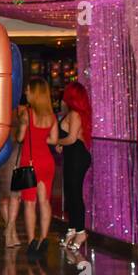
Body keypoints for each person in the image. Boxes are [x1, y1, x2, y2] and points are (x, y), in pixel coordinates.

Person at [7, 77, 57, 258]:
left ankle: (31, 241)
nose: (26, 92)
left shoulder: (27, 114)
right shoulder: (51, 115)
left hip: (30, 163)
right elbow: (53, 139)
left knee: (30, 203)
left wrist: (23, 130)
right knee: (44, 202)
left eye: (28, 89)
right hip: (47, 162)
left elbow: (20, 138)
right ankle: (44, 238)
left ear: (34, 93)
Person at [53, 80, 92, 250]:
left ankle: (81, 231)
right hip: (72, 155)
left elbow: (72, 138)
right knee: (70, 193)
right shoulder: (72, 114)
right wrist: (61, 144)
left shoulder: (75, 114)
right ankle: (73, 228)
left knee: (74, 194)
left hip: (77, 156)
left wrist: (57, 141)